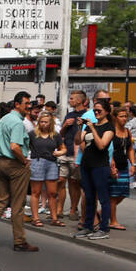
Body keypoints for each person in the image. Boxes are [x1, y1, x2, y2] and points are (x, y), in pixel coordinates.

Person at [0, 91, 38, 252]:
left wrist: (3, 149)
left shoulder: (4, 119)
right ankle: (19, 241)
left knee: (0, 202)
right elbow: (15, 146)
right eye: (26, 103)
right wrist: (24, 160)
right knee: (18, 205)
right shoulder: (18, 123)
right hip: (15, 165)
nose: (29, 106)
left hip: (1, 162)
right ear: (17, 104)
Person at [76, 99, 115, 239]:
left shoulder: (109, 128)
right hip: (86, 165)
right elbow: (77, 141)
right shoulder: (88, 127)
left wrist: (92, 128)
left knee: (103, 198)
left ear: (107, 112)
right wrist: (80, 127)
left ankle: (104, 228)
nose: (96, 112)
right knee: (89, 197)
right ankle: (88, 226)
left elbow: (101, 145)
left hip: (100, 166)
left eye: (99, 110)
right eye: (95, 110)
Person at [27, 111, 65, 228]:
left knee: (53, 193)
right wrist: (27, 159)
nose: (43, 124)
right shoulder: (32, 134)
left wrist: (59, 152)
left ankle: (54, 218)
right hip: (37, 161)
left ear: (50, 123)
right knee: (36, 192)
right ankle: (35, 218)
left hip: (52, 163)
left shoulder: (55, 135)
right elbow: (25, 146)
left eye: (46, 122)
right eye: (41, 122)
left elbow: (63, 148)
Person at [57, 90, 90, 221]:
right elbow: (62, 133)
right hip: (67, 151)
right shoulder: (70, 114)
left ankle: (74, 209)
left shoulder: (88, 115)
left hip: (79, 154)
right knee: (62, 181)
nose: (70, 100)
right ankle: (61, 208)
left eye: (71, 98)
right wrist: (65, 125)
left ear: (79, 101)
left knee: (76, 182)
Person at [109, 105, 134, 230]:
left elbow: (130, 148)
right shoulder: (111, 131)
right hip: (114, 166)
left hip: (124, 165)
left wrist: (133, 164)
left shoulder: (127, 131)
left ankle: (104, 211)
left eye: (126, 116)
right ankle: (113, 220)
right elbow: (109, 149)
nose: (124, 119)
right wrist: (112, 164)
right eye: (122, 116)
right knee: (113, 195)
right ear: (115, 117)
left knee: (124, 192)